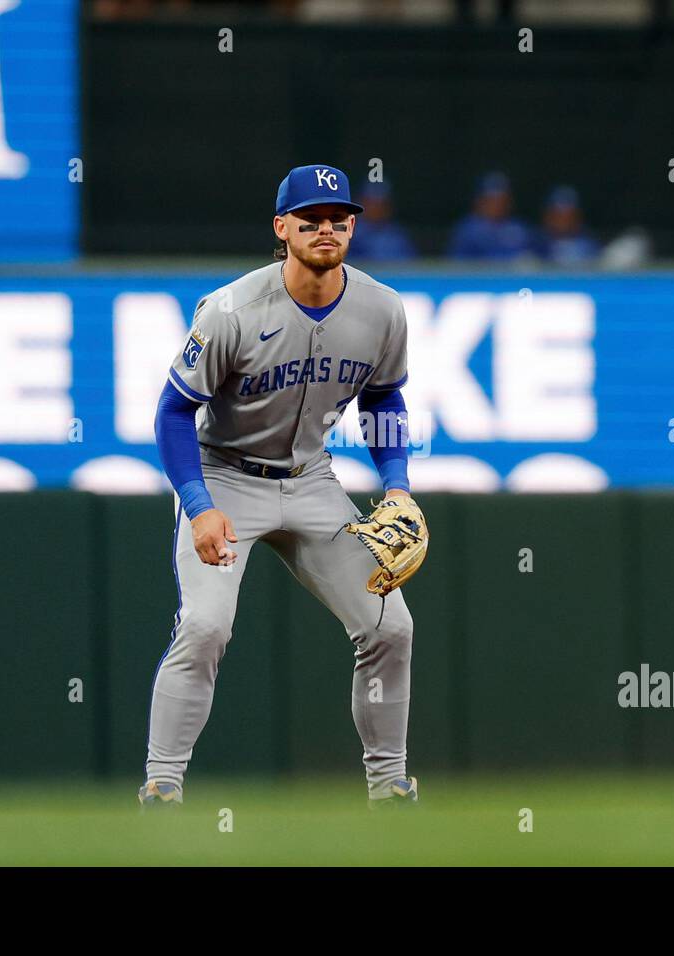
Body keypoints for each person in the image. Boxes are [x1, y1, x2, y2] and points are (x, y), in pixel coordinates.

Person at [142, 164, 420, 808]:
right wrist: (199, 507)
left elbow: (385, 397)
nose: (327, 229)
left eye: (339, 219)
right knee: (206, 626)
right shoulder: (232, 310)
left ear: (353, 226)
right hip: (224, 478)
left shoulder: (381, 309)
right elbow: (173, 412)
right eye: (311, 220)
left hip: (312, 479)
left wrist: (398, 484)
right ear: (282, 228)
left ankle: (390, 788)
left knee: (391, 627)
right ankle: (162, 784)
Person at [447, 171, 535, 261]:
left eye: (501, 201)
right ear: (479, 202)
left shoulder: (520, 228)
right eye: (491, 200)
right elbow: (457, 265)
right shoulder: (467, 230)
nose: (496, 206)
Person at [346, 182, 417, 262]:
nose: (376, 208)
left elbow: (411, 266)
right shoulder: (349, 233)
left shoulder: (398, 237)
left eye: (381, 203)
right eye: (371, 202)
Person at [537, 185, 600, 264]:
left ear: (578, 217)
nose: (562, 222)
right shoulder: (536, 244)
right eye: (557, 215)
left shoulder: (589, 245)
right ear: (547, 217)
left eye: (569, 216)